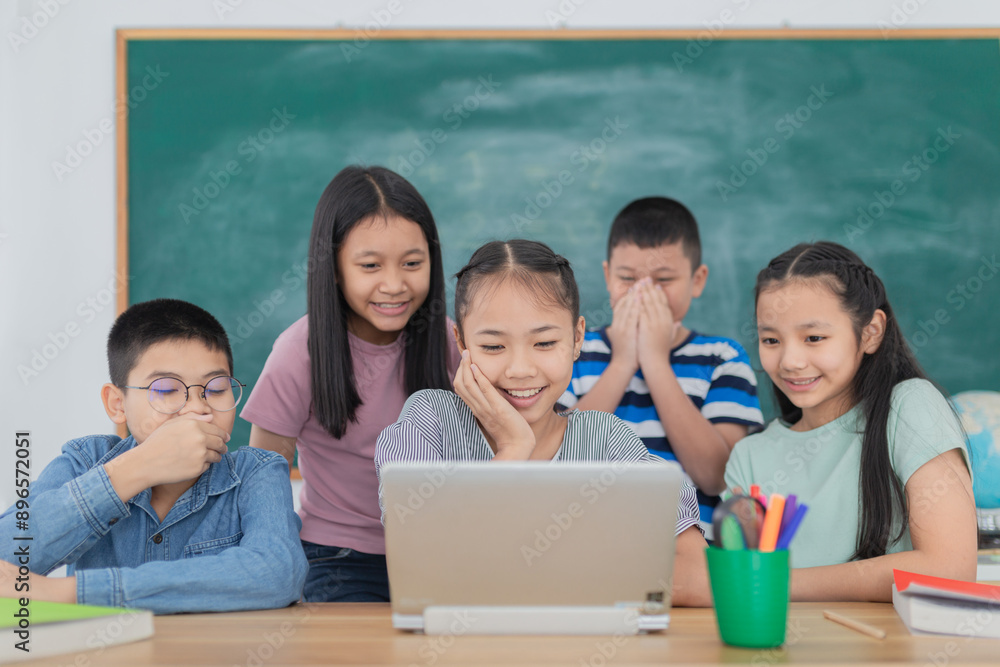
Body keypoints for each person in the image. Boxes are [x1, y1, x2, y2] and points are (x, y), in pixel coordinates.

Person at [376, 239, 712, 607]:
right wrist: (514, 449)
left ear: (577, 337)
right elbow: (422, 568)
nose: (520, 370)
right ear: (460, 341)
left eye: (545, 343)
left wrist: (508, 564)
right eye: (493, 347)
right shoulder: (431, 422)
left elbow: (698, 576)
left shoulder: (606, 441)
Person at [0, 299, 306, 614]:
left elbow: (278, 572)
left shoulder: (257, 471)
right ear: (117, 403)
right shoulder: (84, 459)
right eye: (167, 389)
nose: (198, 408)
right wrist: (138, 468)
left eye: (215, 389)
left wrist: (71, 592)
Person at [241, 165, 461, 602]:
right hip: (338, 558)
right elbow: (264, 472)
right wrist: (271, 565)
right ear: (335, 268)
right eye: (370, 266)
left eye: (413, 263)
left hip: (440, 550)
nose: (394, 285)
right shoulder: (298, 349)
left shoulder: (450, 342)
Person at [726, 241, 977, 601]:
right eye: (770, 340)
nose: (790, 361)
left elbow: (951, 567)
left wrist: (777, 582)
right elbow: (739, 588)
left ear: (870, 332)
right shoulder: (748, 458)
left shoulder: (910, 407)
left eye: (814, 338)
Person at [558, 197, 763, 523]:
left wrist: (655, 363)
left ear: (697, 280)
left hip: (692, 555)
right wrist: (623, 363)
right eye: (627, 278)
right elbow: (557, 460)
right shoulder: (571, 350)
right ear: (608, 276)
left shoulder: (723, 358)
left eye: (663, 280)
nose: (643, 292)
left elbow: (716, 476)